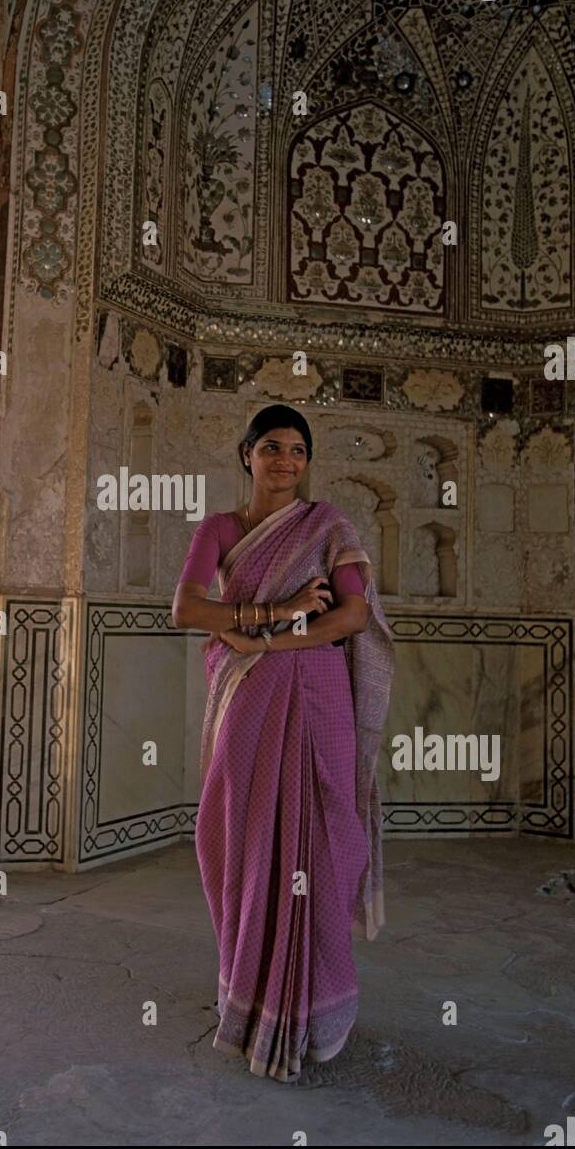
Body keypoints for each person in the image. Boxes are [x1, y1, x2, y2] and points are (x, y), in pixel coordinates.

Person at [171, 404, 394, 1082]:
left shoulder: (329, 526)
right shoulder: (218, 529)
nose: (285, 461)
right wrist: (269, 613)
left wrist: (273, 637)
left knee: (329, 838)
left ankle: (318, 1011)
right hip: (248, 693)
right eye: (271, 448)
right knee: (237, 835)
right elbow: (186, 608)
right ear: (246, 454)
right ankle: (251, 1000)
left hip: (318, 694)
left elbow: (353, 613)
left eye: (297, 450)